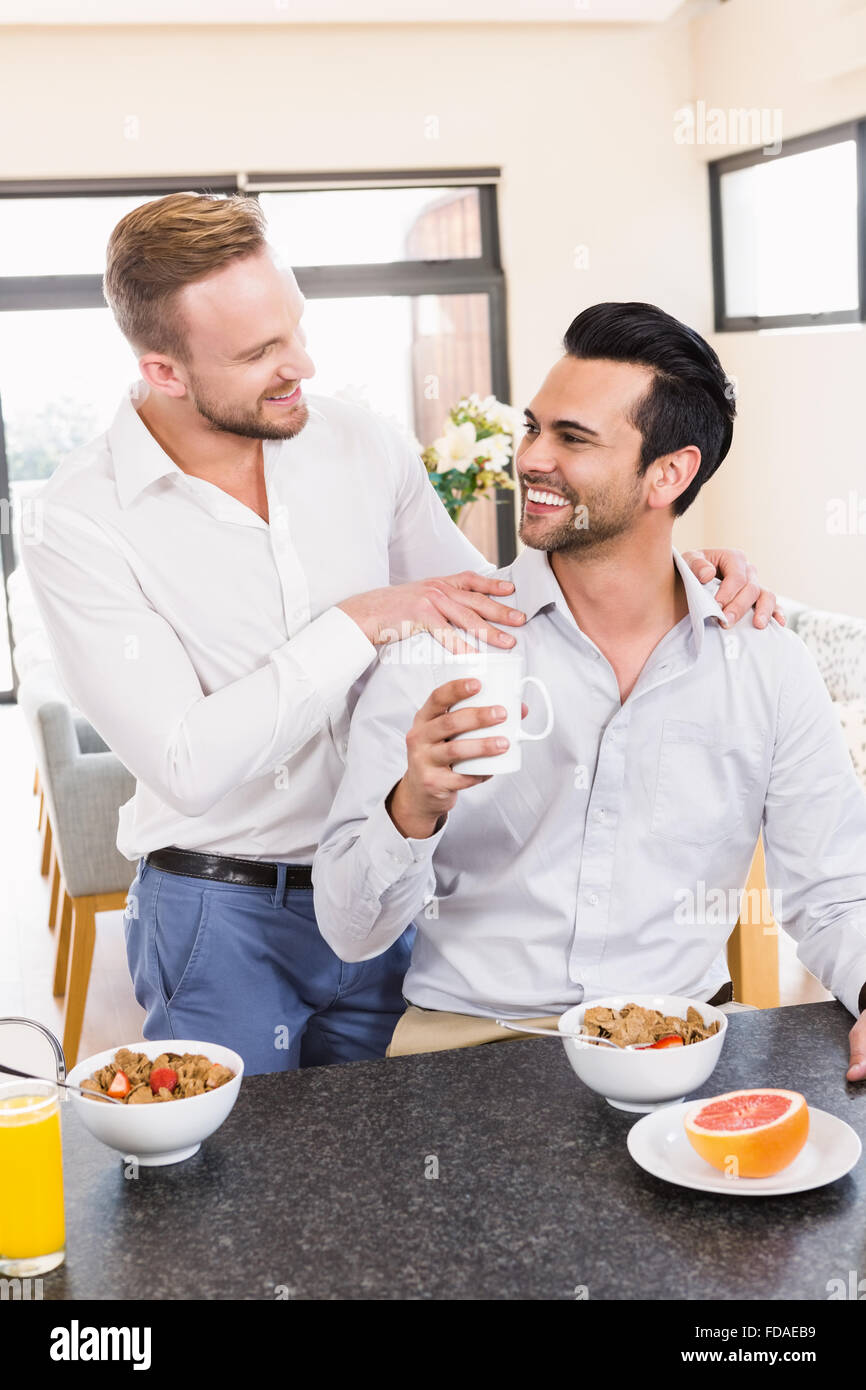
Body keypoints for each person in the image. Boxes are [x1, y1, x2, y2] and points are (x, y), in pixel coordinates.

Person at [21, 192, 773, 1073]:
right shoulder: (80, 519)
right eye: (260, 353)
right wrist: (360, 619)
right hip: (218, 911)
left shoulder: (358, 443)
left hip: (394, 885)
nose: (299, 363)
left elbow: (494, 606)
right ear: (164, 372)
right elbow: (187, 765)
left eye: (294, 328)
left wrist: (675, 576)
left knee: (391, 1188)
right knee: (238, 1195)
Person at [313, 301, 866, 1083]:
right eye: (534, 428)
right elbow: (348, 930)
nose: (532, 457)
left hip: (682, 1044)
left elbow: (839, 892)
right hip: (469, 1048)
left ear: (667, 475)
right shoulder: (440, 642)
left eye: (572, 439)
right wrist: (414, 805)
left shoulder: (765, 663)